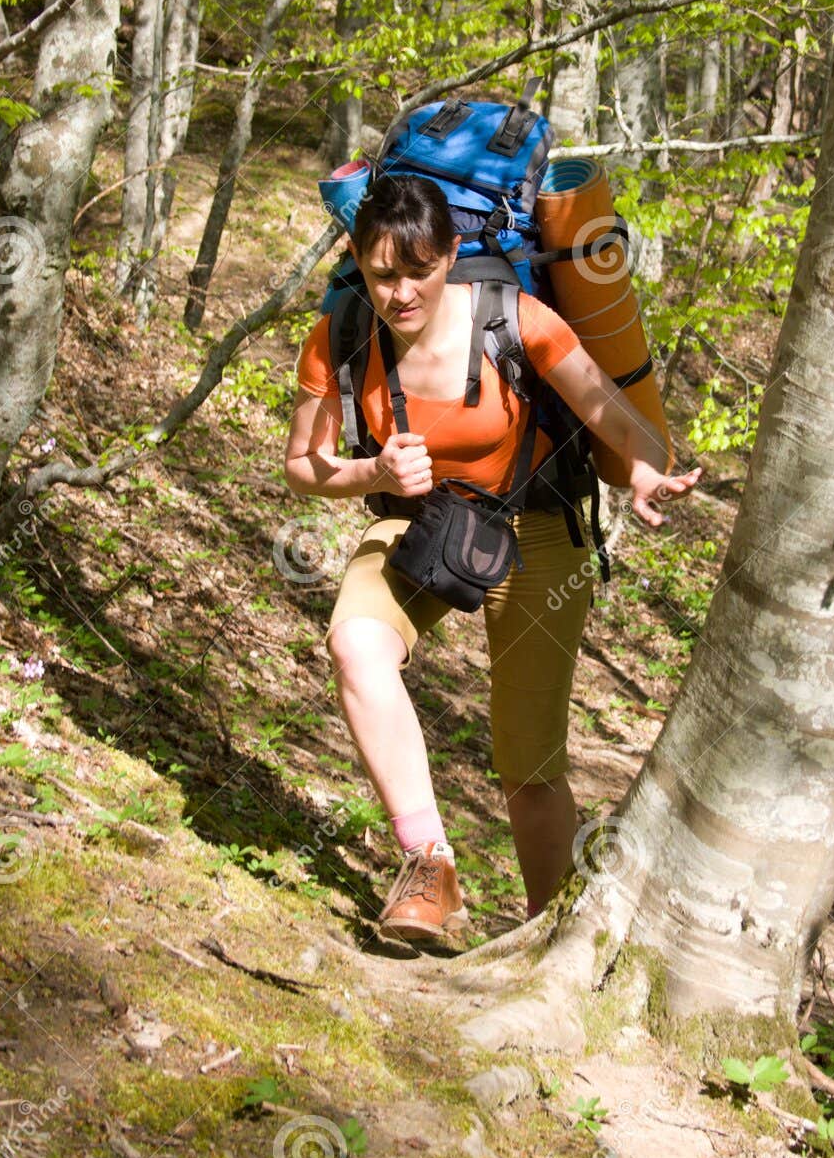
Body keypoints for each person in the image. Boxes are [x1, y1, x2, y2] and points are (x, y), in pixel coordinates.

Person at [284, 173, 702, 942]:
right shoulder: (340, 329)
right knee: (355, 644)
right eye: (381, 274)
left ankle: (549, 943)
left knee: (528, 768)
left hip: (535, 529)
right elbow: (303, 467)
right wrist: (370, 474)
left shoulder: (516, 318)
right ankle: (428, 865)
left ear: (450, 257)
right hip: (415, 523)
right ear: (357, 262)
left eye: (418, 271)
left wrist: (643, 468)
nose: (400, 292)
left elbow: (608, 409)